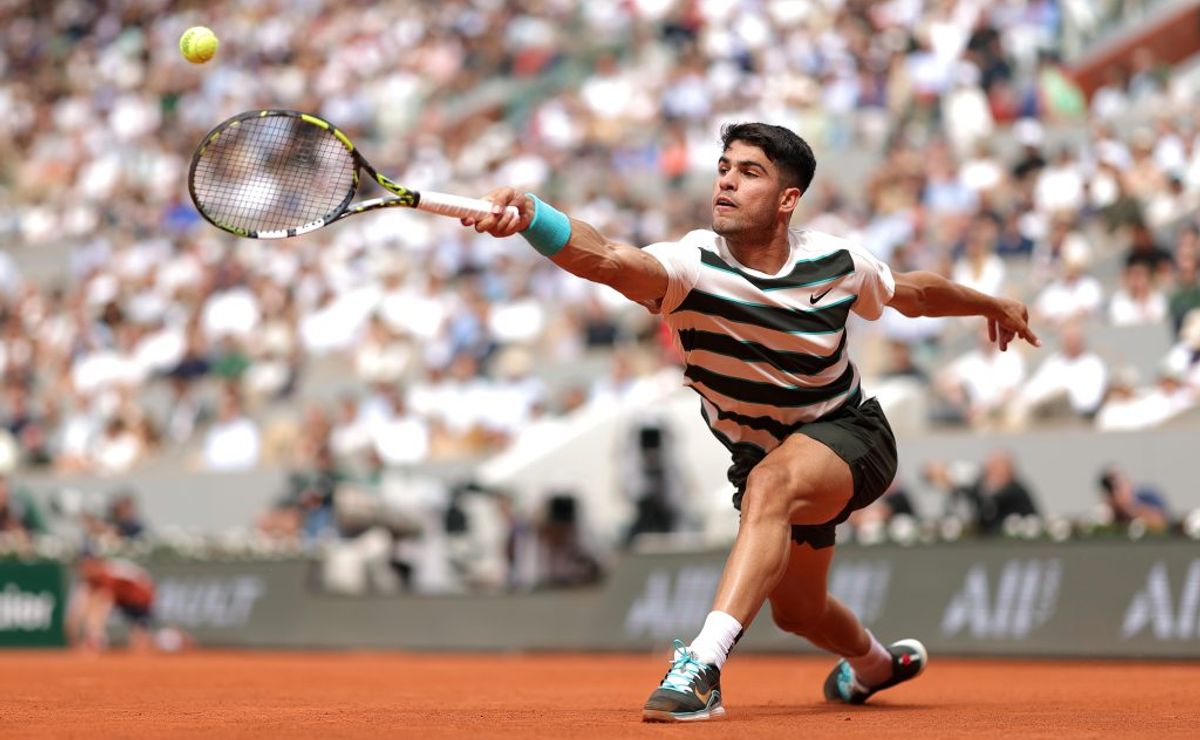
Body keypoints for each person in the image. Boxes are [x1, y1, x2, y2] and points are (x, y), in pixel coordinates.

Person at [463, 123, 1038, 721]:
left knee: (772, 486)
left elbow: (912, 294)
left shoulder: (836, 262)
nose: (727, 183)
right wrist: (534, 216)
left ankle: (702, 668)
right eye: (724, 169)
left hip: (852, 435)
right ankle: (874, 665)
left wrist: (990, 303)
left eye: (749, 173)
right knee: (799, 611)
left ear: (788, 199)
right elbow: (608, 259)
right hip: (764, 456)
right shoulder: (691, 265)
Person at [66, 549, 156, 652]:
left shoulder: (108, 575)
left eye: (89, 565)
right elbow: (78, 609)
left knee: (139, 636)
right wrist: (73, 634)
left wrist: (95, 631)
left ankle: (95, 640)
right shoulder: (91, 579)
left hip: (141, 597)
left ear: (97, 564)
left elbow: (102, 605)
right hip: (123, 598)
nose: (86, 569)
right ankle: (94, 640)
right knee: (95, 607)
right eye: (83, 566)